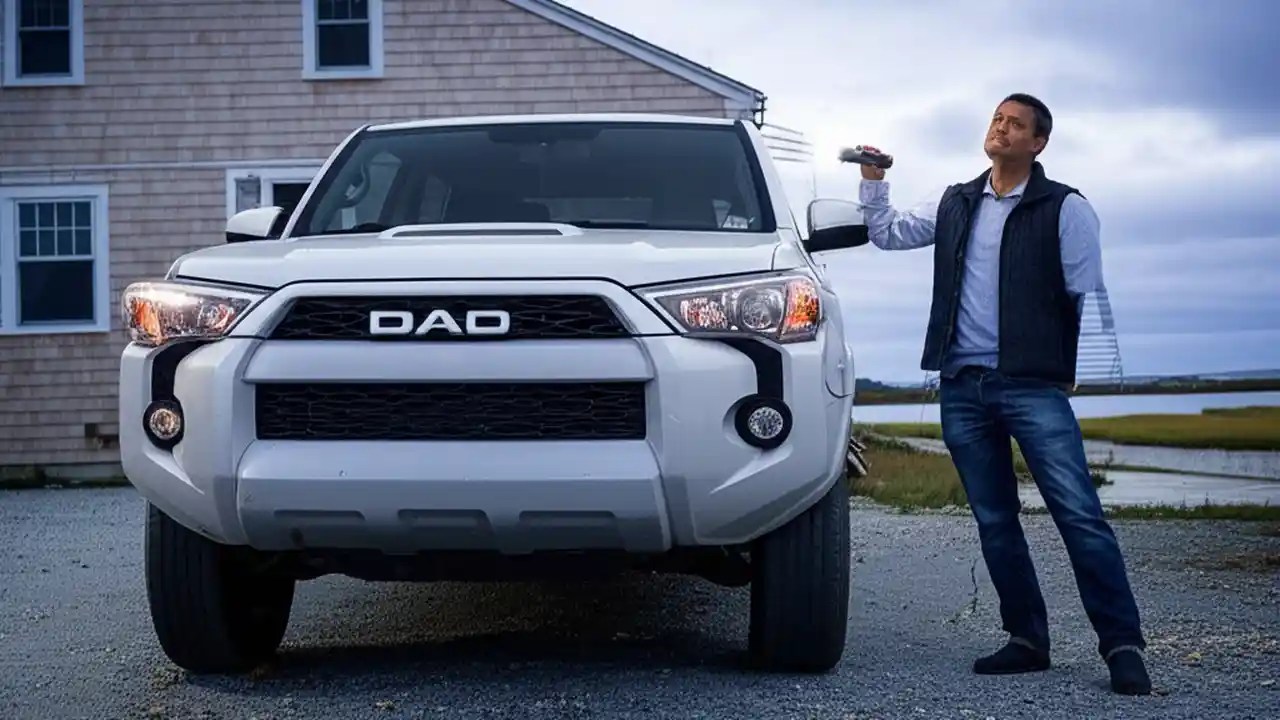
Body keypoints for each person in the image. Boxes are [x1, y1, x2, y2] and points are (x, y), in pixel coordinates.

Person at [855, 93, 1152, 695]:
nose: (1002, 128)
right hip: (961, 385)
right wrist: (873, 180)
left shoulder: (1066, 207)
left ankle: (1123, 646)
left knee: (1079, 515)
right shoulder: (956, 201)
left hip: (1032, 386)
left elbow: (1080, 285)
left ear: (1038, 142)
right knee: (995, 519)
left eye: (1016, 124)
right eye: (998, 118)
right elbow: (884, 235)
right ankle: (1026, 640)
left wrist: (1040, 350)